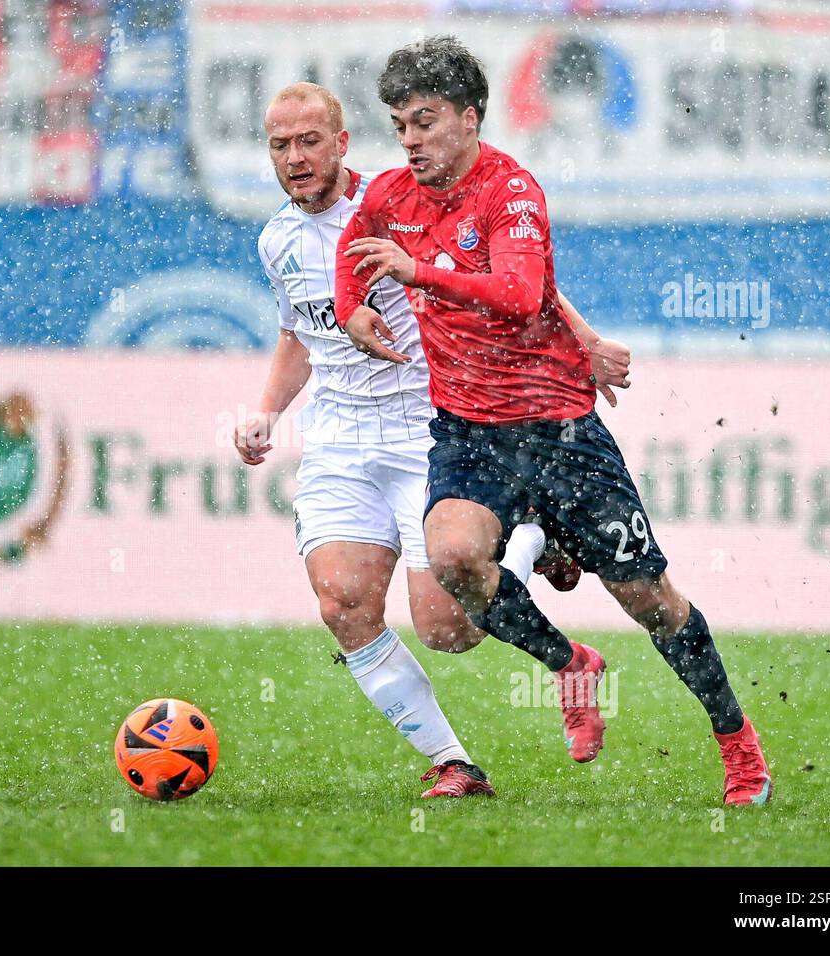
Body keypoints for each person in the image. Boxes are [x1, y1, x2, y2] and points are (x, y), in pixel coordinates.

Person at [335, 38, 772, 806]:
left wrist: (417, 272)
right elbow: (352, 249)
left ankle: (738, 744)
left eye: (424, 122)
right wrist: (352, 310)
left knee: (651, 602)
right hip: (468, 432)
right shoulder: (393, 196)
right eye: (400, 125)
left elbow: (517, 292)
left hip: (559, 431)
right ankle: (571, 665)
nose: (409, 140)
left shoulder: (511, 191)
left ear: (469, 118)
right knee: (454, 559)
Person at [235, 81, 630, 798]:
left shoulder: (397, 203)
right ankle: (455, 764)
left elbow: (521, 281)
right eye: (280, 145)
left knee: (449, 629)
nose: (295, 158)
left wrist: (586, 343)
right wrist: (265, 410)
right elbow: (299, 335)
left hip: (429, 428)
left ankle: (533, 533)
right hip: (339, 442)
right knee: (343, 605)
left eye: (310, 141)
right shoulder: (276, 240)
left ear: (342, 142)